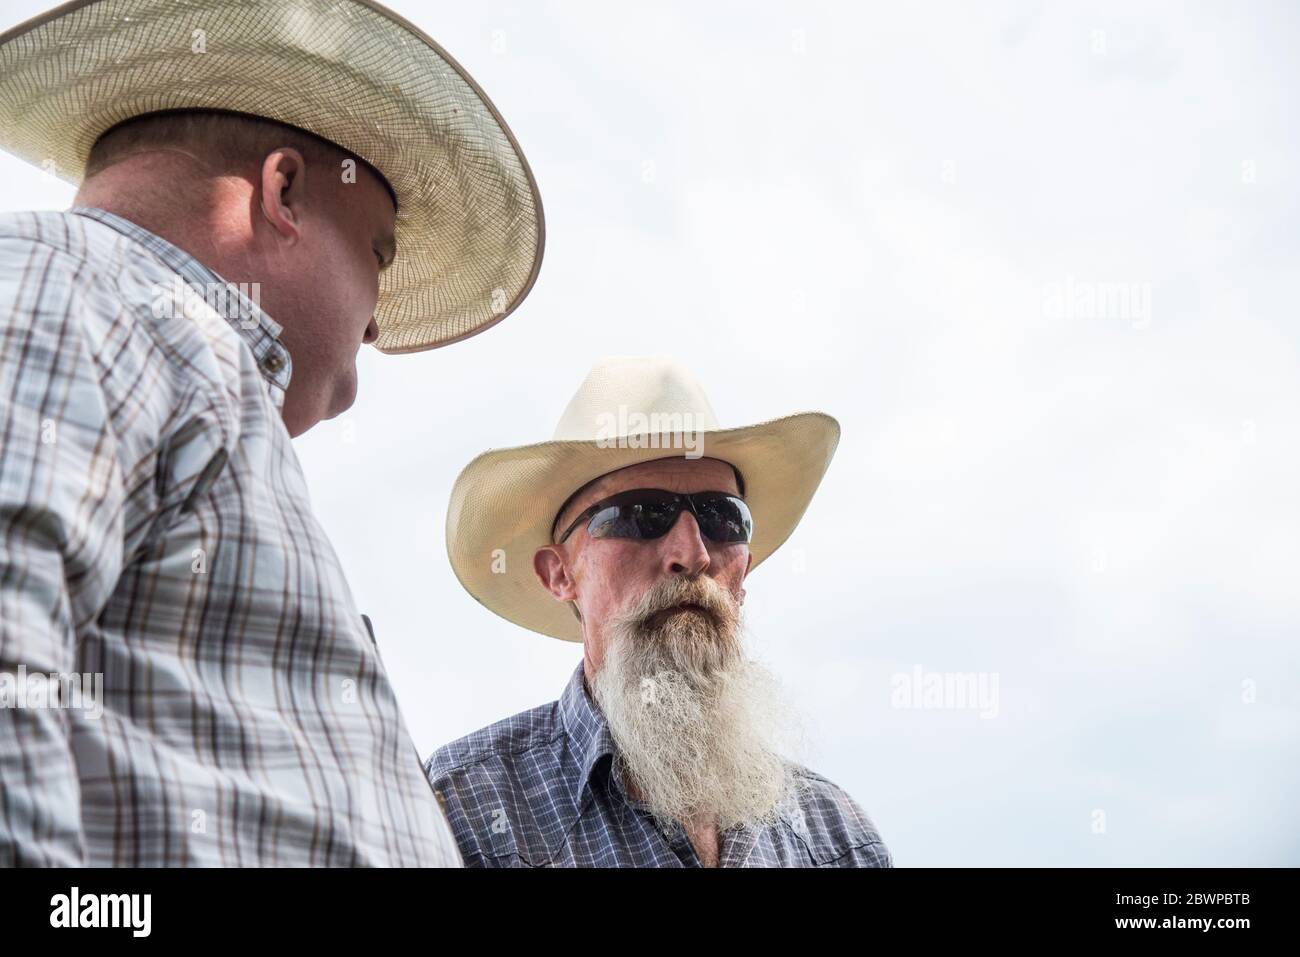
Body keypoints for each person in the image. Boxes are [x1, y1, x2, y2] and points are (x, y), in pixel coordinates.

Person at [0, 0, 542, 866]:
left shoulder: (149, 341)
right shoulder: (88, 286)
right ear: (282, 191)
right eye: (381, 250)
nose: (373, 326)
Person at [427, 357, 892, 867]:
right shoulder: (466, 809)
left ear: (744, 570)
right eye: (642, 513)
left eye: (723, 518)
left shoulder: (836, 839)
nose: (693, 553)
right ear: (559, 574)